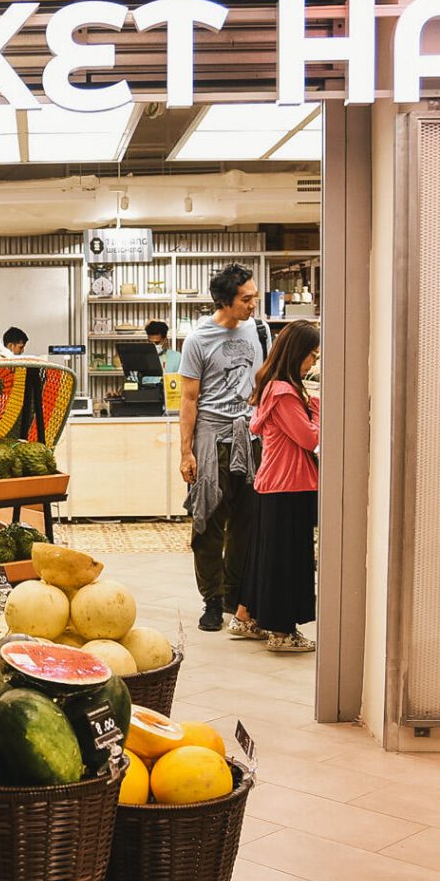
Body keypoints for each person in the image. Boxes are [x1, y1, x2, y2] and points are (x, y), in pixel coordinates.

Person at [179, 264, 265, 632]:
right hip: (211, 439)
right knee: (208, 524)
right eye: (246, 299)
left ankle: (234, 595)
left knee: (247, 523)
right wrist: (186, 452)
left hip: (251, 438)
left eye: (254, 297)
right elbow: (188, 399)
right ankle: (211, 601)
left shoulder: (259, 331)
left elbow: (264, 383)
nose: (252, 304)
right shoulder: (198, 339)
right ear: (225, 301)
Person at [237, 321, 321, 652]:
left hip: (276, 483)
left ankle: (246, 616)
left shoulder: (276, 388)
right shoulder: (285, 392)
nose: (313, 362)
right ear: (297, 353)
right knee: (287, 559)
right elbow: (309, 438)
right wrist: (316, 412)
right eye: (312, 355)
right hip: (290, 484)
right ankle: (282, 631)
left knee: (267, 556)